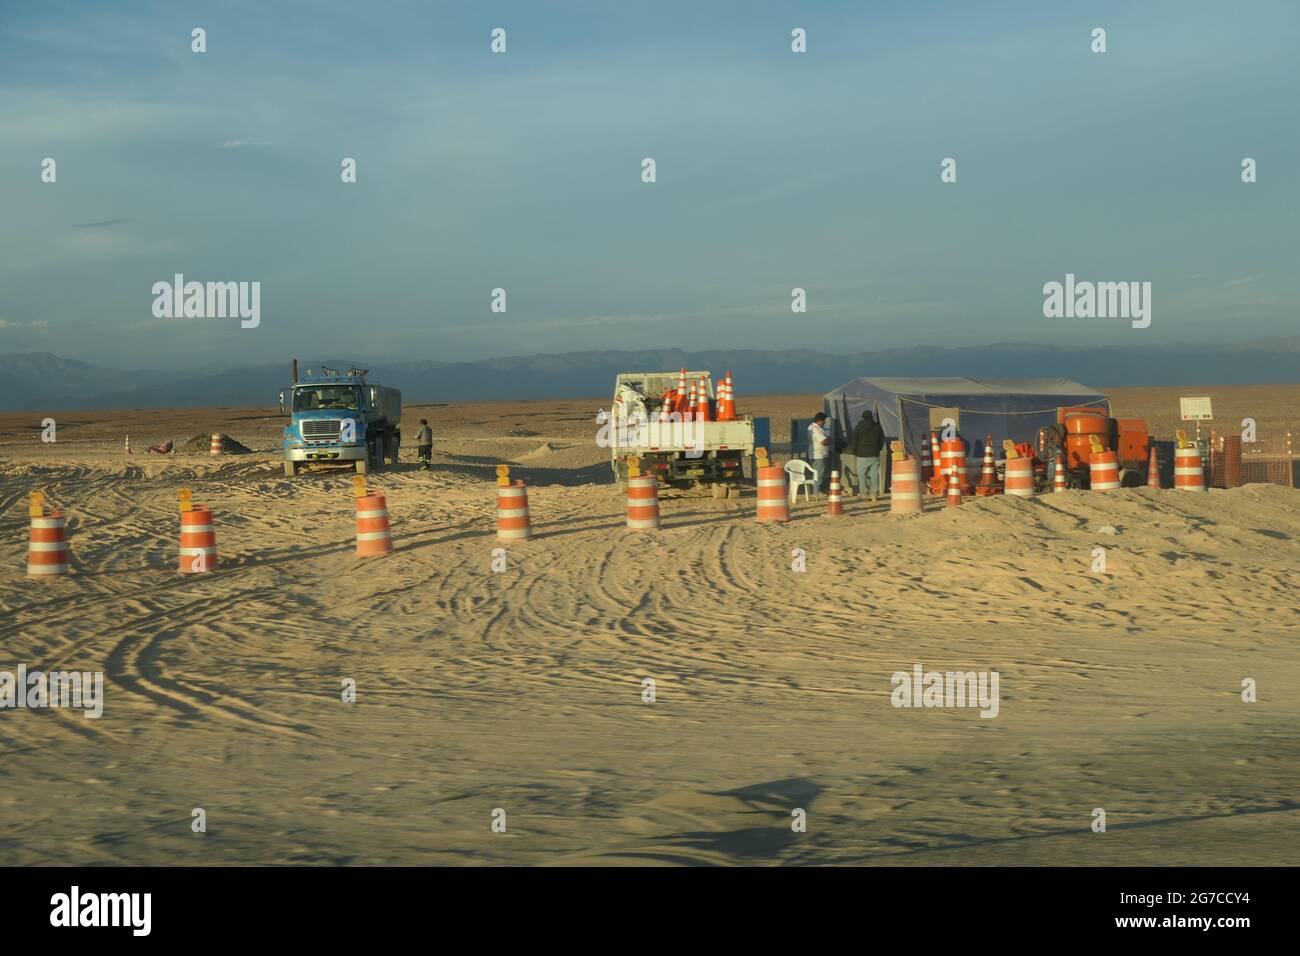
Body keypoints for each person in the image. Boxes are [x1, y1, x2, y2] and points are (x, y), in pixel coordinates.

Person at [851, 410, 886, 500]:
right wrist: (878, 449)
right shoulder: (878, 427)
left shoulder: (858, 427)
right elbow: (882, 441)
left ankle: (864, 493)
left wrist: (854, 451)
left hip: (861, 454)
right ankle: (874, 494)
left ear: (862, 417)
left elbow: (854, 441)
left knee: (862, 475)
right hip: (874, 454)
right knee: (874, 475)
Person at [807, 412, 832, 493]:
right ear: (820, 421)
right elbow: (823, 442)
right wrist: (830, 440)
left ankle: (817, 491)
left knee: (817, 473)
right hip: (818, 455)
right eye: (824, 421)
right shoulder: (816, 429)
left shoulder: (811, 427)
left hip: (815, 454)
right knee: (818, 475)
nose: (824, 423)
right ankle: (816, 492)